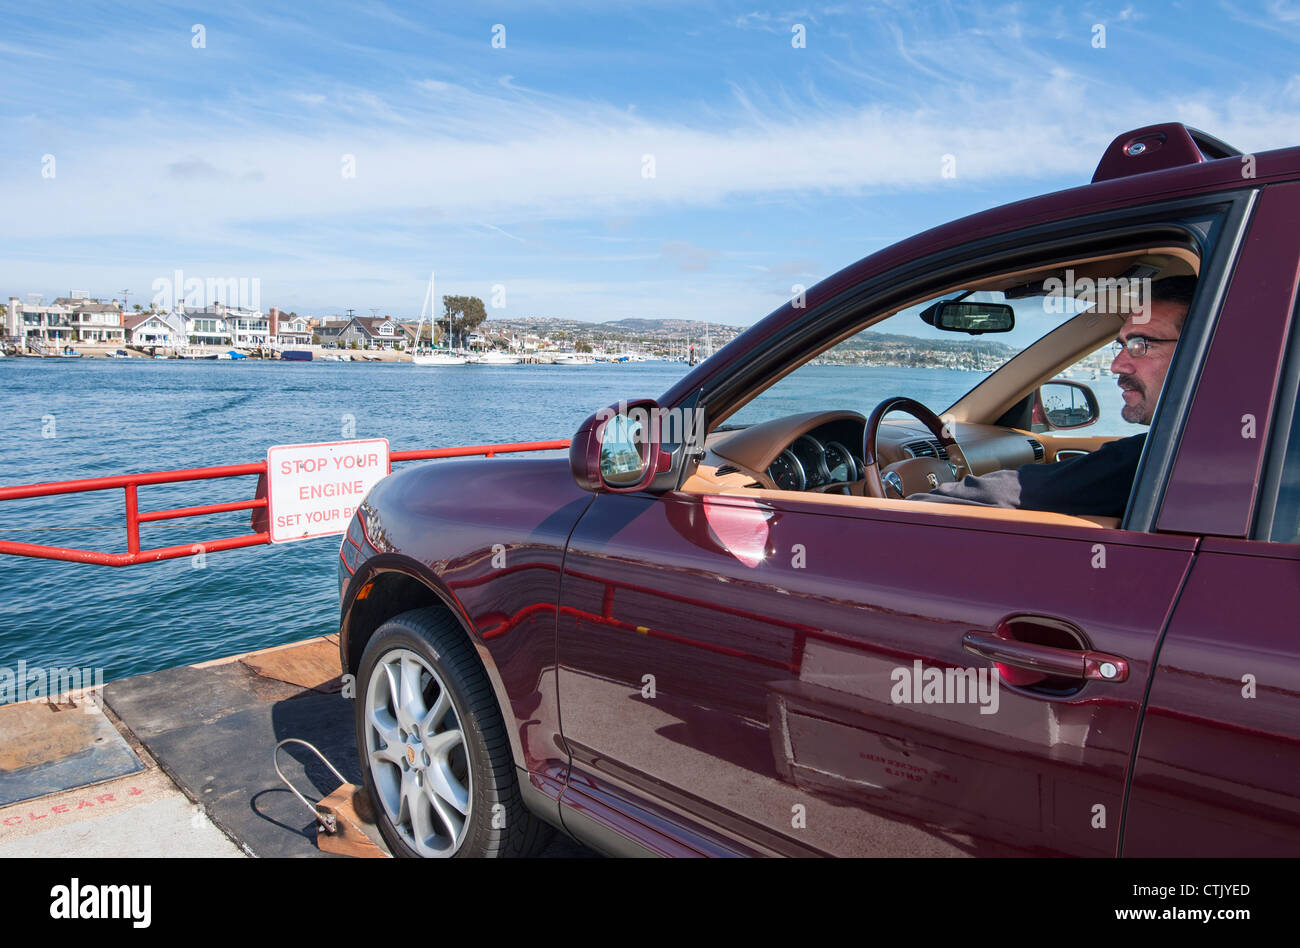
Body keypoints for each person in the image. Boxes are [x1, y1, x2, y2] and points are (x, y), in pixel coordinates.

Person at [910, 276, 1196, 518]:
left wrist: (893, 509)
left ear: (1204, 348)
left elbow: (1021, 491)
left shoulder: (1169, 458)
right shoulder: (1181, 454)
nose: (1116, 365)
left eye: (1140, 344)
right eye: (1120, 345)